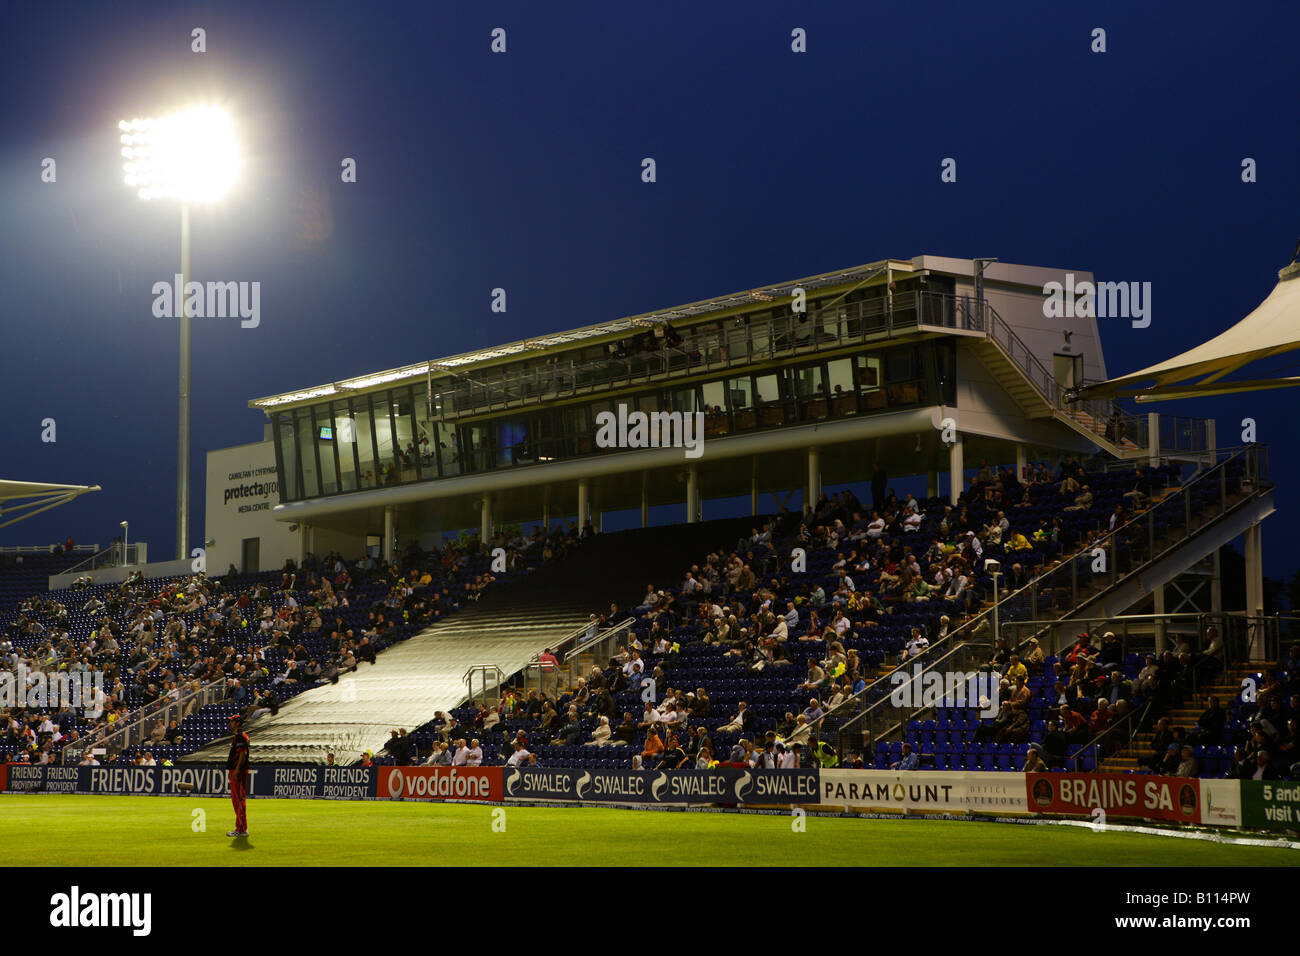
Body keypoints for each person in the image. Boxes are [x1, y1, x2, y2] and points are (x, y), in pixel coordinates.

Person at [226, 713, 250, 837]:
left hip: (238, 771)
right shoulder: (239, 736)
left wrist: (236, 770)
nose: (230, 723)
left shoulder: (240, 736)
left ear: (238, 723)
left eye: (232, 721)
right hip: (237, 770)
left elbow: (242, 754)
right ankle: (240, 827)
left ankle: (241, 829)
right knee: (237, 800)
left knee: (239, 800)